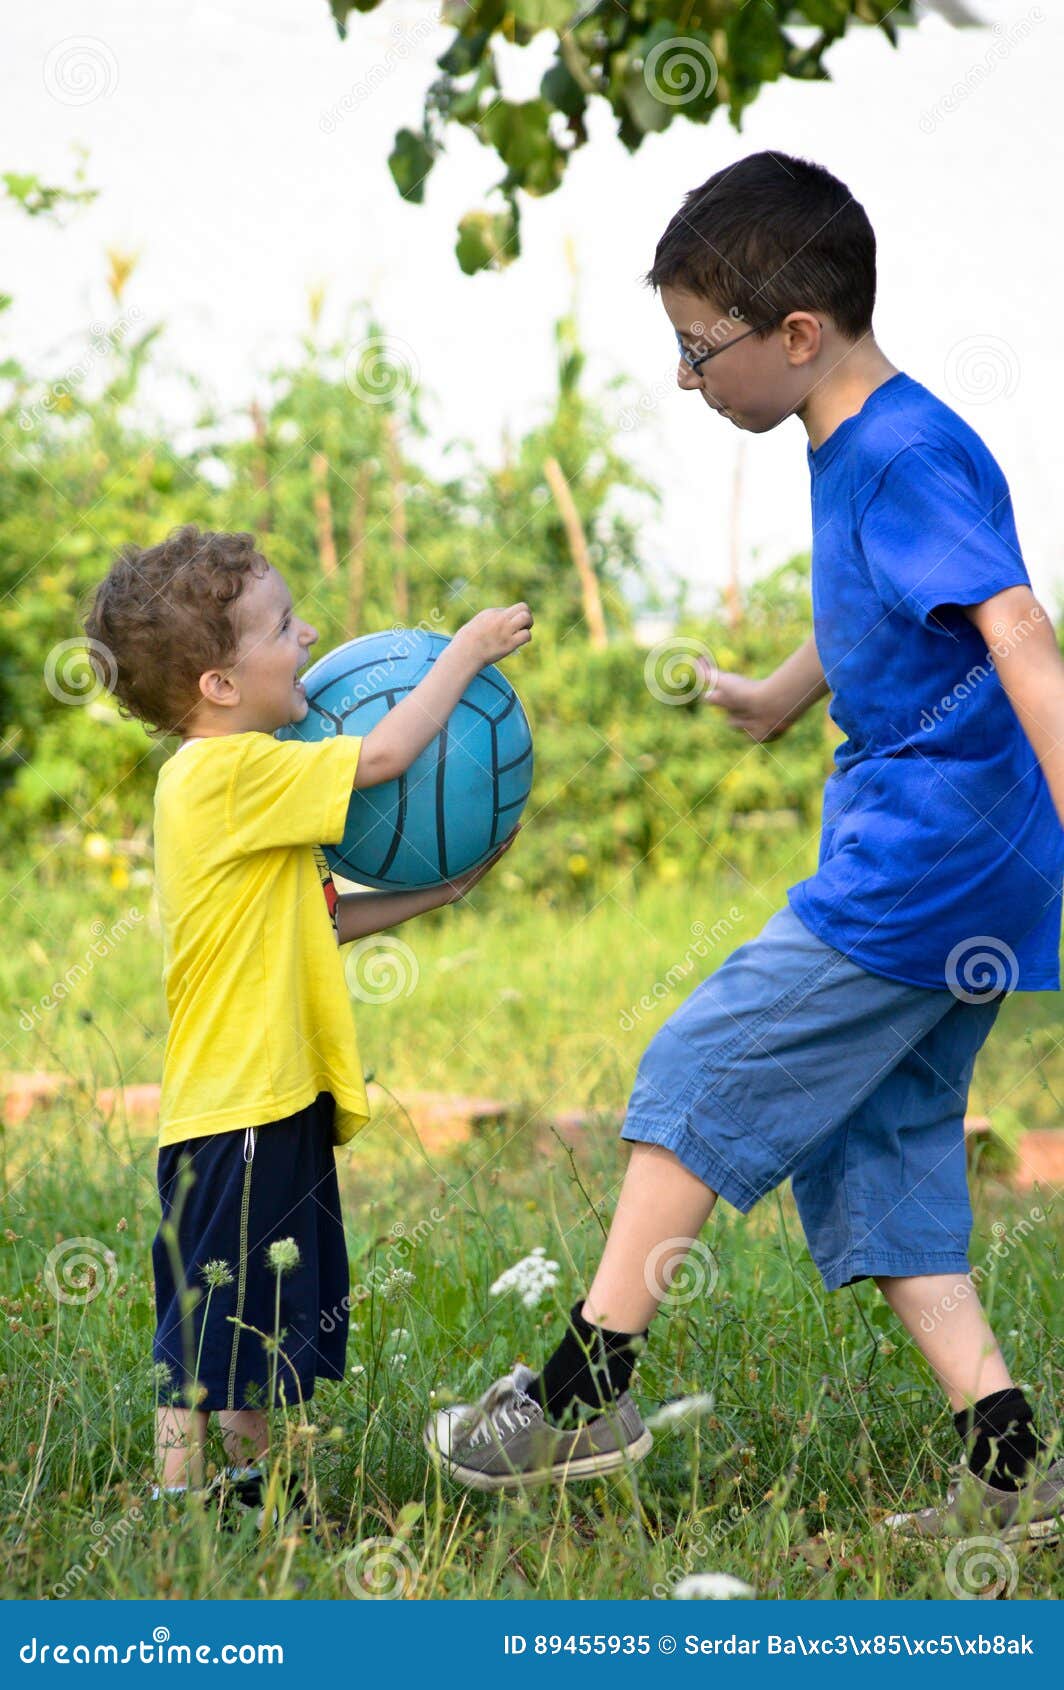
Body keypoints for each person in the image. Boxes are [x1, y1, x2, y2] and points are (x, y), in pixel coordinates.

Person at [425, 152, 1064, 1542]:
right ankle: (1012, 1471)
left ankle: (583, 1384)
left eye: (697, 349)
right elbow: (899, 610)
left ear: (796, 335)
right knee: (877, 1139)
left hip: (935, 850)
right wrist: (782, 694)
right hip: (949, 844)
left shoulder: (902, 447)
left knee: (704, 1061)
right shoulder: (860, 442)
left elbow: (1015, 629)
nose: (683, 378)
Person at [82, 523, 531, 1527]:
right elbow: (380, 753)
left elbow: (321, 917)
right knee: (209, 1323)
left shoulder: (242, 784)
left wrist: (446, 888)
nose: (312, 634)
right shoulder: (223, 774)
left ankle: (251, 1502)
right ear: (218, 686)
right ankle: (175, 1511)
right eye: (284, 625)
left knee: (254, 1319)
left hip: (270, 1098)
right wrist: (462, 651)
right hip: (237, 1104)